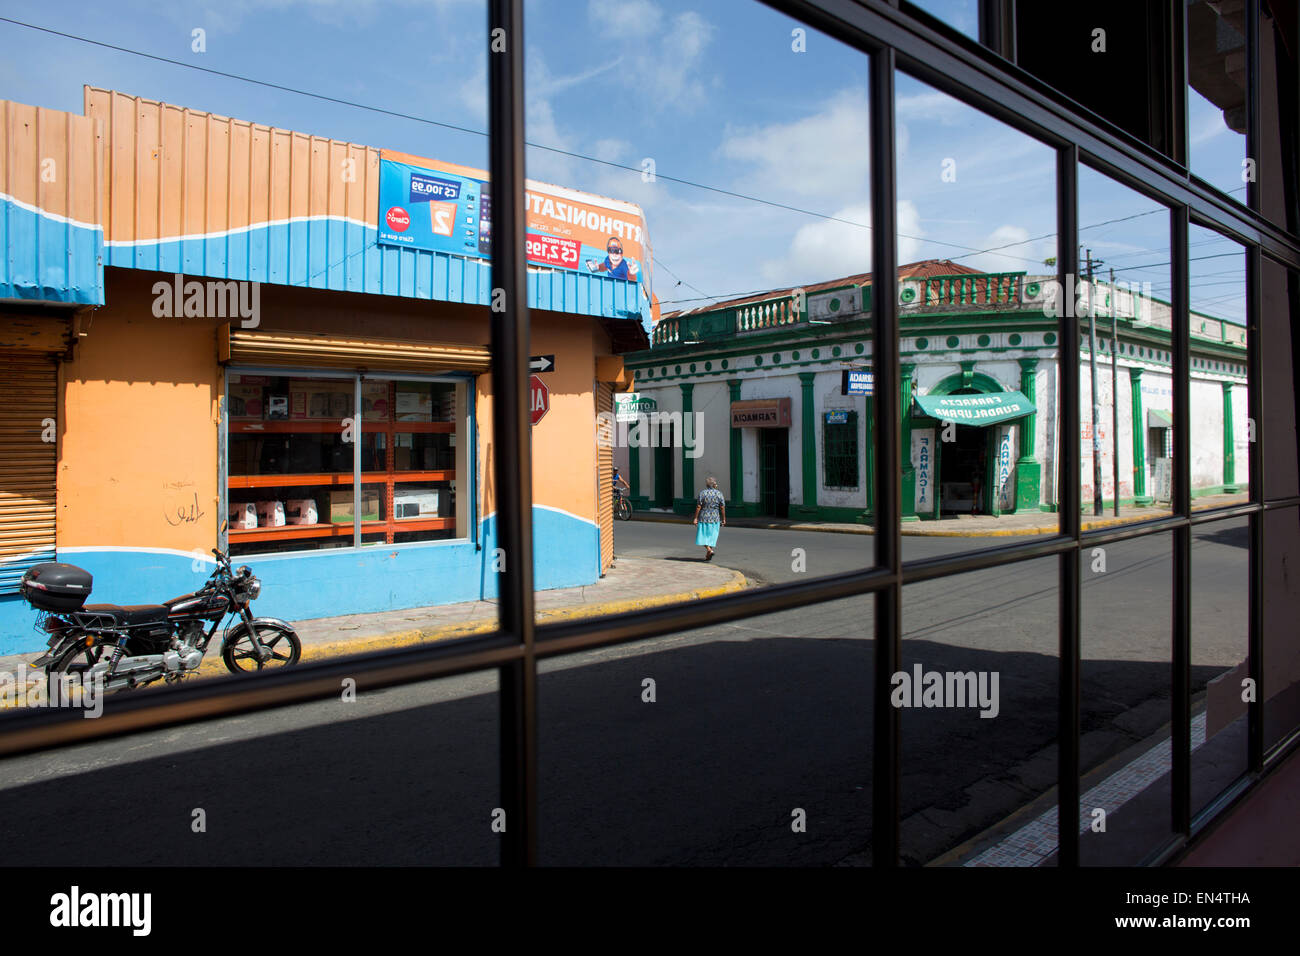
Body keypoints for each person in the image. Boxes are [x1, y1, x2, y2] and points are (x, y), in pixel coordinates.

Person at [692, 476, 726, 561]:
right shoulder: (719, 493)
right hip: (715, 518)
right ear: (715, 484)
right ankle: (709, 552)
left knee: (702, 536)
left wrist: (695, 518)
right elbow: (722, 507)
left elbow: (699, 506)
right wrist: (724, 519)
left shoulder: (702, 493)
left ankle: (709, 550)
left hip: (704, 517)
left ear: (707, 484)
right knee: (712, 536)